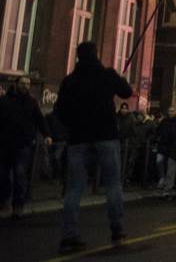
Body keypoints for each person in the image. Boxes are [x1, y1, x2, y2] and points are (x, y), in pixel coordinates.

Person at [53, 42, 133, 253]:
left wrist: (73, 125)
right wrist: (119, 78)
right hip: (106, 134)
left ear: (78, 57)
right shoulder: (106, 75)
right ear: (96, 54)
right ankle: (117, 229)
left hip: (78, 138)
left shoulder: (70, 81)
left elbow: (59, 110)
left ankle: (69, 234)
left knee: (74, 188)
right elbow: (127, 92)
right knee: (113, 184)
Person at [0, 76, 51, 219]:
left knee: (19, 175)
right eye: (23, 83)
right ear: (16, 84)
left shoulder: (31, 102)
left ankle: (18, 206)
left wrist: (46, 134)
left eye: (28, 84)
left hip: (23, 144)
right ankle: (4, 202)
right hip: (5, 143)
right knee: (4, 175)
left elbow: (40, 119)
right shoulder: (5, 101)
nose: (26, 86)